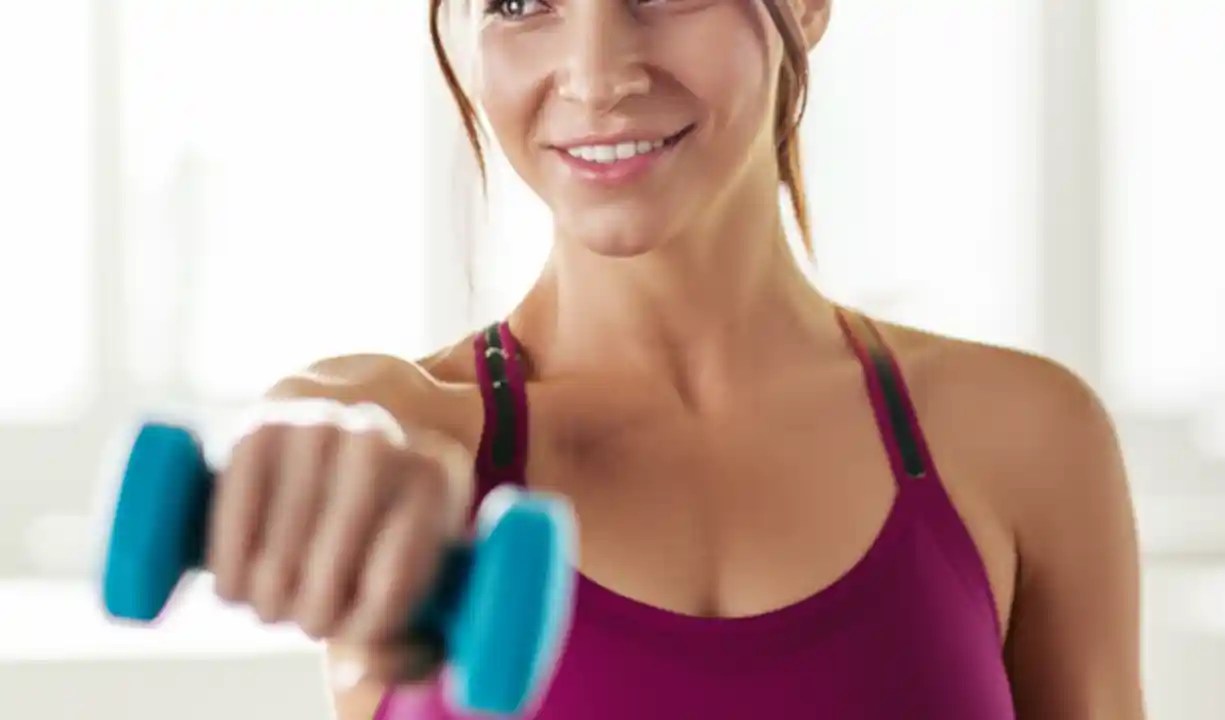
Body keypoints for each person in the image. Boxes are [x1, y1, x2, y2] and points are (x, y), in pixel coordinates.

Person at [204, 0, 1147, 716]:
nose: (596, 73)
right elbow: (324, 418)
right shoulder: (416, 435)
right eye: (522, 0)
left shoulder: (1020, 435)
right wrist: (307, 445)